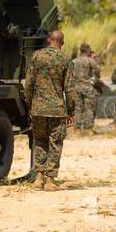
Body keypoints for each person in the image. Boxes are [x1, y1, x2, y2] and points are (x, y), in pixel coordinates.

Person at [23, 30, 73, 190]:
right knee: (55, 142)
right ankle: (50, 181)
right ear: (62, 43)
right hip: (57, 109)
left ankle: (38, 178)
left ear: (48, 40)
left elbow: (28, 84)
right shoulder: (65, 59)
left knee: (40, 141)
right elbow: (69, 89)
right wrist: (71, 111)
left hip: (38, 108)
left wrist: (30, 105)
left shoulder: (37, 56)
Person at [67, 43, 100, 136]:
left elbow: (70, 75)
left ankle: (77, 129)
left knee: (78, 109)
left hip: (77, 88)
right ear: (87, 50)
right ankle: (88, 129)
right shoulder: (90, 61)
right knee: (89, 108)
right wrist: (96, 60)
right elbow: (98, 71)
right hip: (88, 88)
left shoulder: (74, 61)